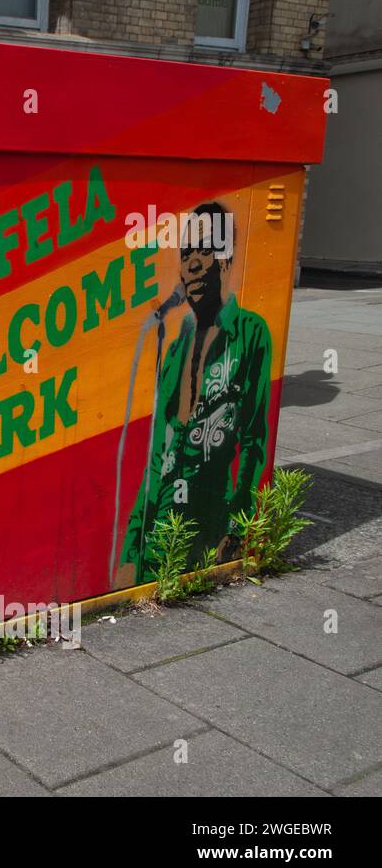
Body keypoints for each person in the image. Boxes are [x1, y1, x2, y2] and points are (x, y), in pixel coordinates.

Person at [115, 201, 272, 588]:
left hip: (210, 522)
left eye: (206, 250)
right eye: (187, 253)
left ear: (227, 258)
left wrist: (236, 530)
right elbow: (156, 455)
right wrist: (130, 551)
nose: (194, 263)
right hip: (160, 525)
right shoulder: (175, 346)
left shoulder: (251, 334)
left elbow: (253, 443)